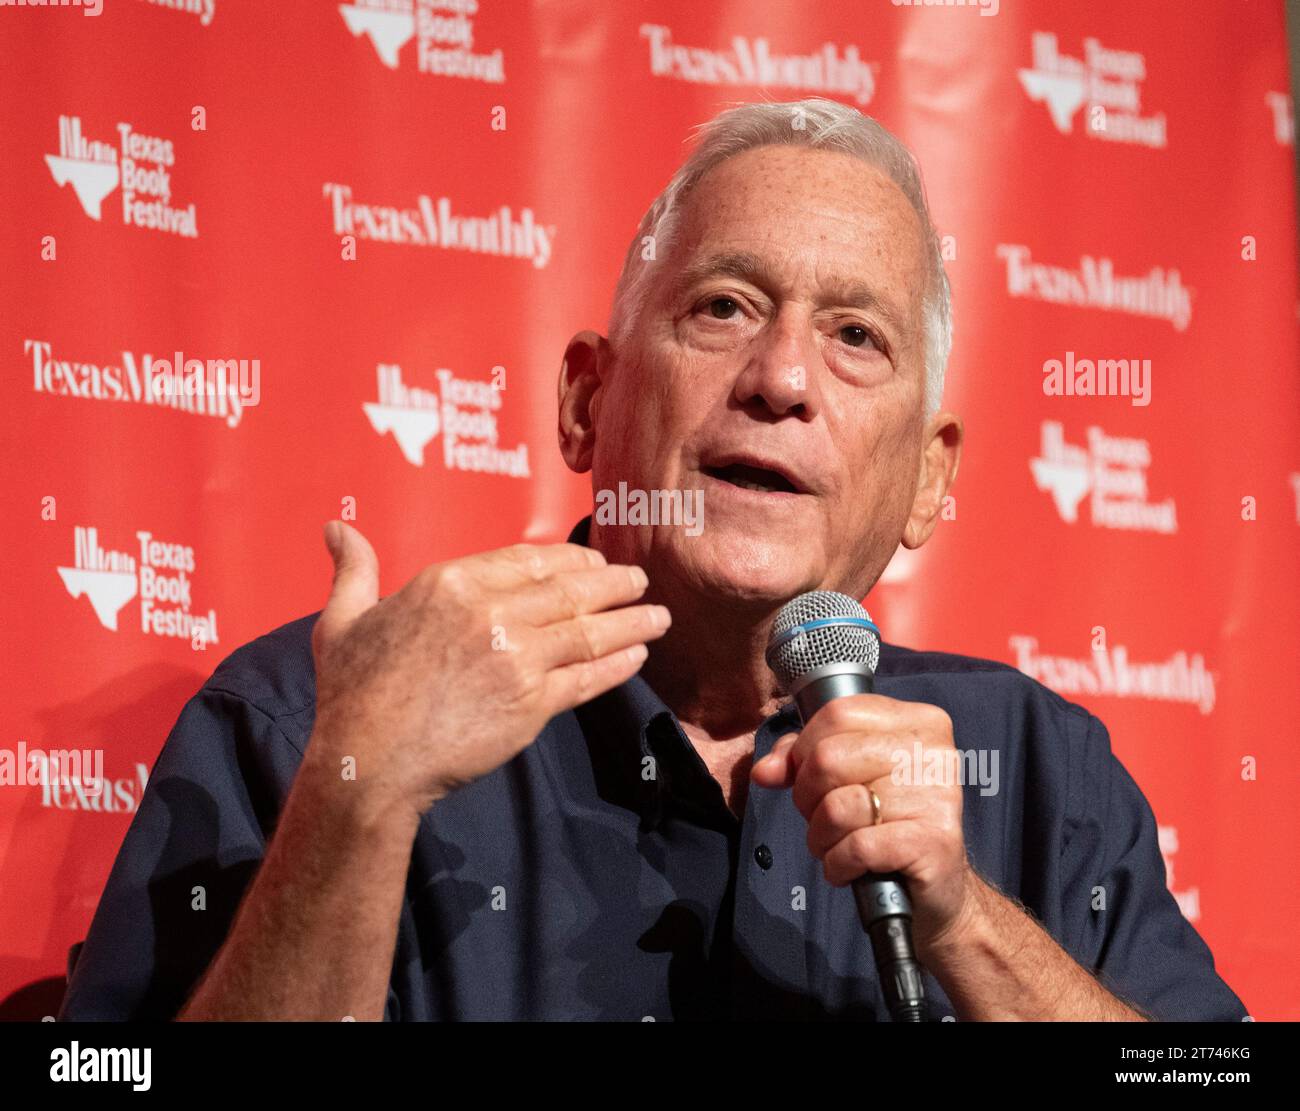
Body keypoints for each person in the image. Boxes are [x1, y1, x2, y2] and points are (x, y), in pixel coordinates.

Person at [60, 97, 1246, 1021]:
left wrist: (964, 924)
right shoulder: (310, 722)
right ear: (586, 401)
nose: (782, 379)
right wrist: (357, 811)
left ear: (930, 478)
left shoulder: (1041, 774)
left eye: (854, 338)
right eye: (723, 307)